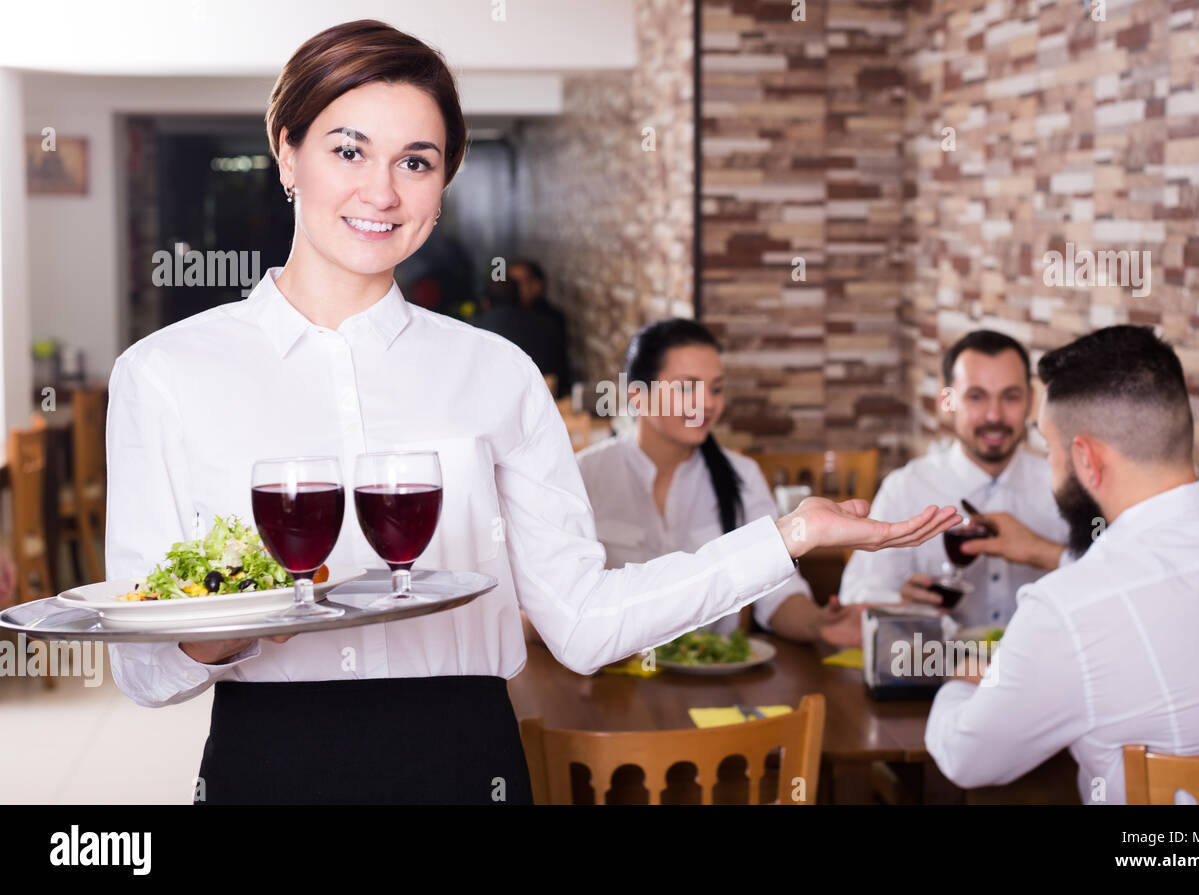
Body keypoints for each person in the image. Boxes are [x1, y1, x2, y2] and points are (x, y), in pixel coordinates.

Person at [104, 19, 958, 805]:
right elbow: (143, 672)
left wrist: (789, 536)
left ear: (442, 185)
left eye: (417, 161)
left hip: (463, 759)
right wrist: (231, 623)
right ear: (286, 153)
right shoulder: (166, 376)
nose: (383, 191)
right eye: (349, 150)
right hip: (270, 763)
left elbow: (583, 623)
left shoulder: (499, 373)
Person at [924, 325, 1199, 804]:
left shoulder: (1066, 611)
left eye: (1050, 446)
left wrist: (962, 676)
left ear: (1086, 459)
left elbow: (967, 758)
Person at [577, 319, 864, 647]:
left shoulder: (743, 475)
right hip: (611, 683)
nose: (708, 404)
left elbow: (779, 594)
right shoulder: (586, 474)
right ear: (638, 397)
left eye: (715, 389)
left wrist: (818, 624)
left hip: (714, 685)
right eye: (687, 388)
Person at [838, 330, 1069, 628]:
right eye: (976, 397)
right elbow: (854, 597)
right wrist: (900, 603)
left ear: (1030, 402)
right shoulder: (906, 488)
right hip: (935, 670)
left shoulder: (1064, 485)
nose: (994, 416)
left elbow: (1107, 578)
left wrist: (1042, 550)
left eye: (1010, 397)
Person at [472, 276, 567, 394]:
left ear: (485, 303)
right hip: (544, 397)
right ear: (519, 296)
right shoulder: (546, 323)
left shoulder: (475, 330)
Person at [507, 259, 572, 395]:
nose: (512, 288)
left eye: (518, 283)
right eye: (509, 283)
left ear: (536, 285)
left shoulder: (549, 320)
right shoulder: (509, 317)